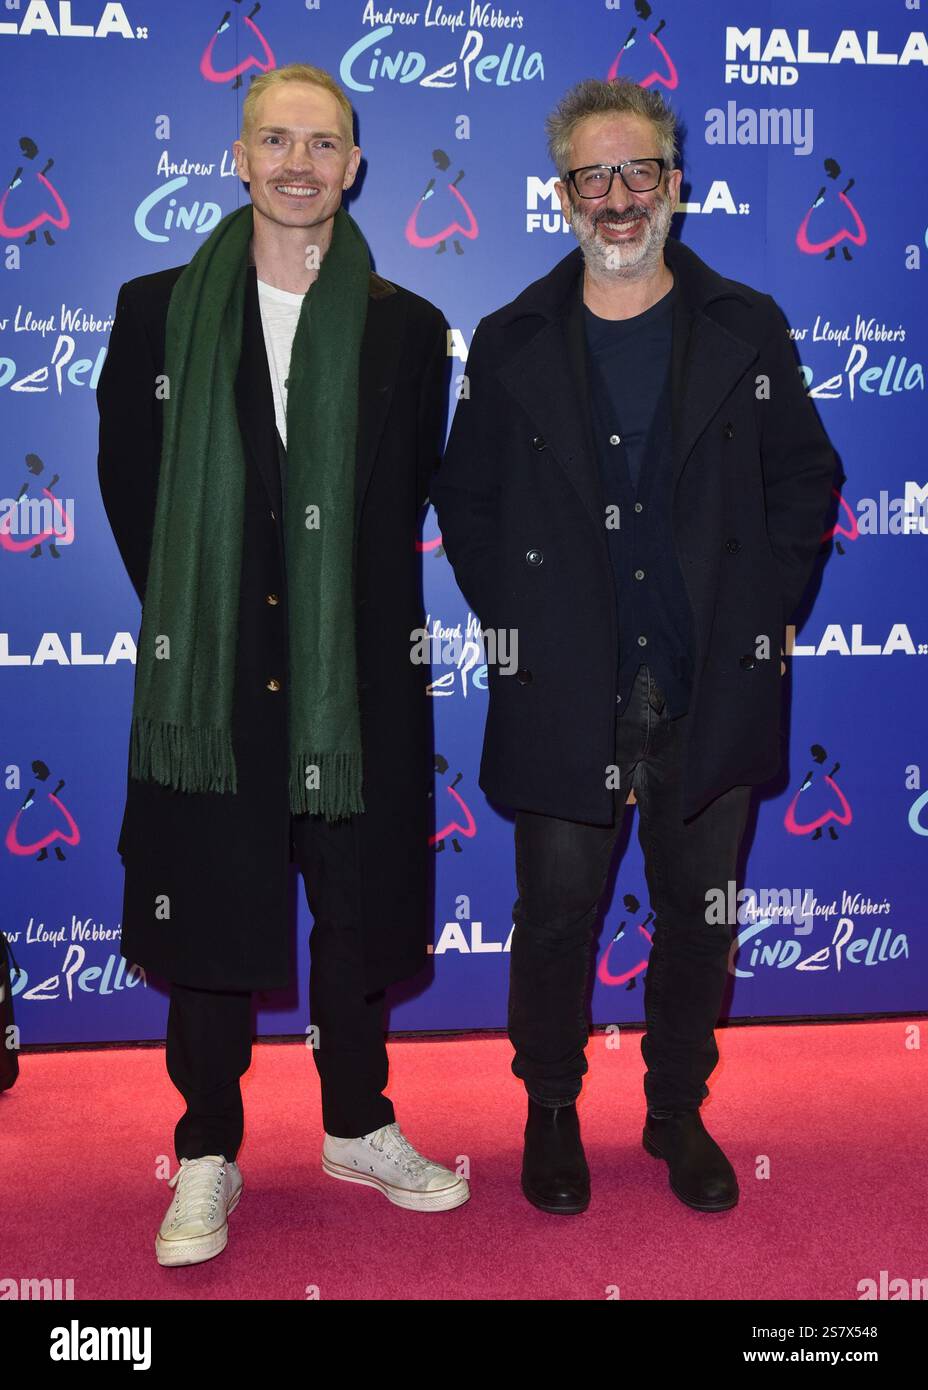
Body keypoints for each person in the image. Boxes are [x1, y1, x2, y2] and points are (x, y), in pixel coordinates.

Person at [432, 77, 836, 1216]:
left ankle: (673, 1113)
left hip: (710, 690)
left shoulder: (743, 323)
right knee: (555, 919)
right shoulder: (510, 340)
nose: (616, 198)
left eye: (638, 172)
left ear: (675, 184)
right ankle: (550, 1110)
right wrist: (519, 619)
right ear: (562, 194)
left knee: (699, 920)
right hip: (564, 691)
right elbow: (466, 503)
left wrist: (771, 608)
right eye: (591, 177)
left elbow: (807, 477)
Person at [97, 63, 467, 1268]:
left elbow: (405, 493)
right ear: (240, 158)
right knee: (206, 912)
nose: (299, 163)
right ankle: (206, 1147)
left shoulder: (410, 330)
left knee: (355, 912)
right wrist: (216, 626)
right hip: (213, 684)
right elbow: (130, 489)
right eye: (276, 140)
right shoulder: (154, 311)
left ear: (353, 168)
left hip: (351, 685)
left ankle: (358, 1122)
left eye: (323, 144)